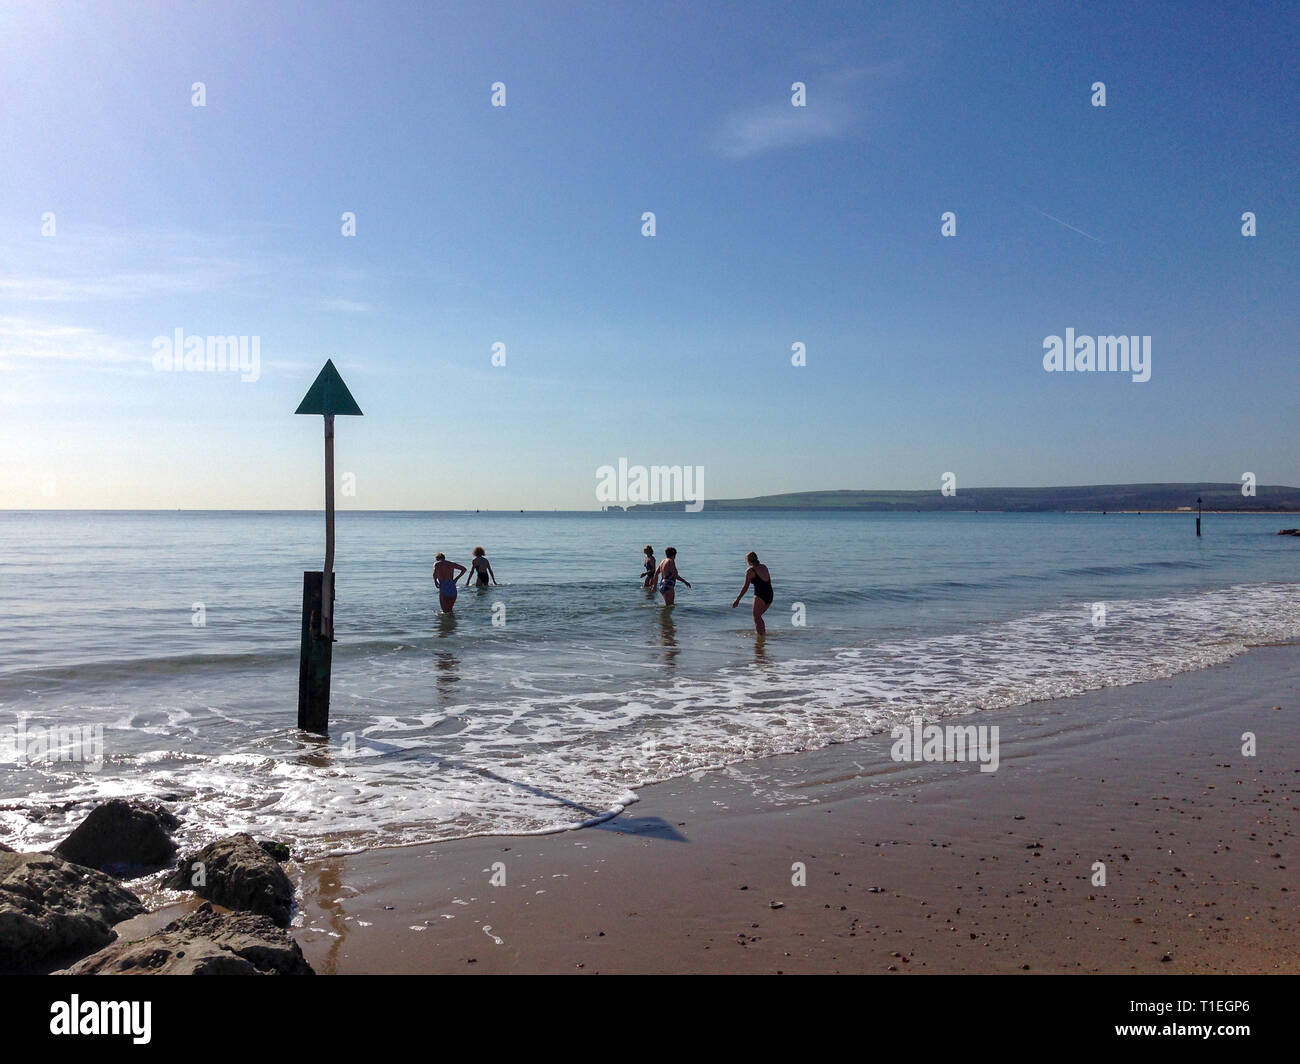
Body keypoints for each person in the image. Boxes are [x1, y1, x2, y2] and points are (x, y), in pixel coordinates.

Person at [732, 550, 773, 635]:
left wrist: (738, 599)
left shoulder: (750, 571)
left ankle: (760, 639)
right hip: (770, 594)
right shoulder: (764, 567)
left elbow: (745, 587)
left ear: (748, 561)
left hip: (760, 595)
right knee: (758, 617)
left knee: (757, 617)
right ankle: (763, 636)